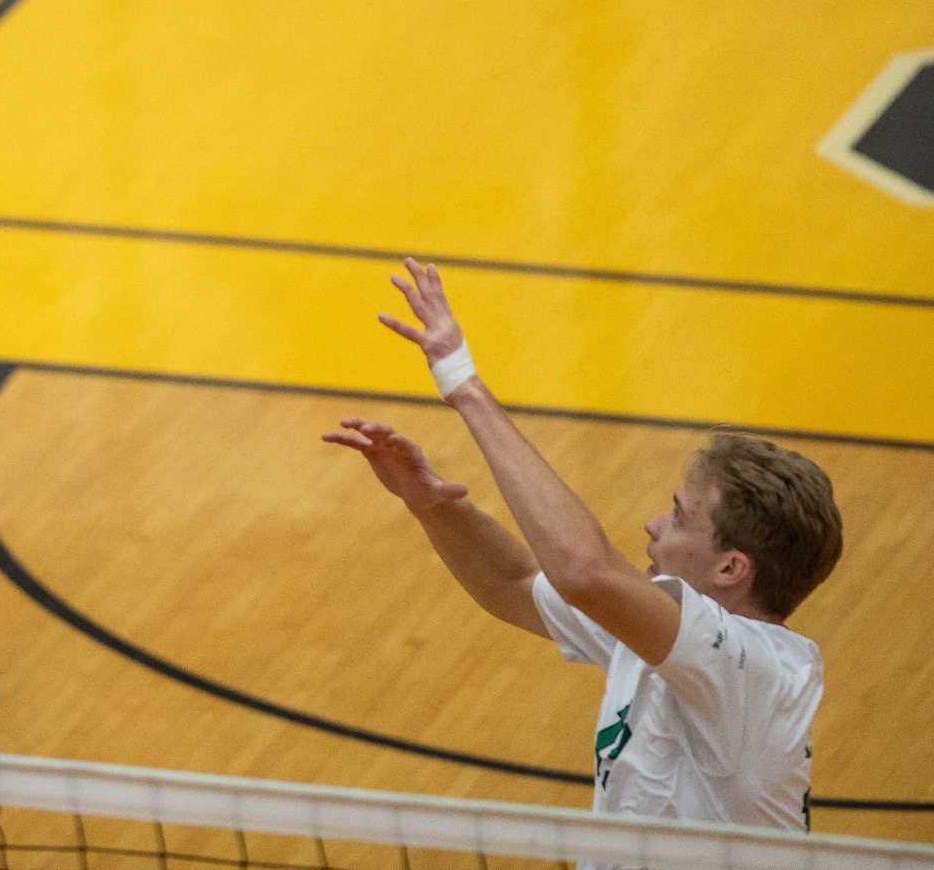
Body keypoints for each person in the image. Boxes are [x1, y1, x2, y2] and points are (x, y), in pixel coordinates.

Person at [328, 259, 843, 851]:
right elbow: (515, 584)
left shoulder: (753, 671)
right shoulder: (659, 637)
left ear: (731, 567)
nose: (653, 525)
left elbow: (583, 570)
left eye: (678, 516)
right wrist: (435, 508)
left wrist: (461, 380)